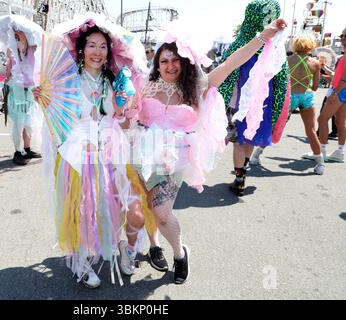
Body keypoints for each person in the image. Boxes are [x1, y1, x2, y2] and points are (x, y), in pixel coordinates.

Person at [130, 15, 287, 284]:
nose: (169, 65)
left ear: (185, 61)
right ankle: (154, 245)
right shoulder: (145, 85)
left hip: (172, 160)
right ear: (157, 62)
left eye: (175, 60)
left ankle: (180, 253)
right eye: (164, 60)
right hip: (139, 155)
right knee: (147, 205)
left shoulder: (198, 86)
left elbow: (232, 61)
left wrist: (265, 35)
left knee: (163, 212)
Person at [35, 14, 149, 288]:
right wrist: (41, 97)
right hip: (77, 155)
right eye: (92, 45)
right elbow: (56, 118)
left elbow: (120, 122)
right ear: (82, 49)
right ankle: (80, 263)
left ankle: (127, 249)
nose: (98, 52)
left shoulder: (115, 82)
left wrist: (122, 111)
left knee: (130, 210)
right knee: (80, 210)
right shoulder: (66, 81)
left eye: (103, 46)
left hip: (112, 153)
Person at [218, 0, 290, 196]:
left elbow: (224, 74)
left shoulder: (241, 44)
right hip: (263, 104)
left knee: (239, 142)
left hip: (238, 103)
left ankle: (239, 178)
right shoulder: (276, 48)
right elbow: (282, 82)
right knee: (249, 138)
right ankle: (242, 173)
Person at [0, 15, 43, 166]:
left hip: (30, 92)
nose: (17, 39)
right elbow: (6, 72)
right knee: (19, 124)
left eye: (19, 36)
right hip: (17, 92)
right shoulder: (12, 54)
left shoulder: (33, 52)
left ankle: (27, 149)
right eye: (14, 37)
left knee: (29, 123)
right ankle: (17, 151)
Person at [284, 36, 324, 174]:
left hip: (291, 96)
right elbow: (315, 87)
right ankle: (320, 165)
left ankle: (256, 155)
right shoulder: (316, 63)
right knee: (311, 131)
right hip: (307, 96)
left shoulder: (287, 60)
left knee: (276, 125)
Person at [318, 27, 346, 163]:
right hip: (342, 91)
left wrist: (334, 93)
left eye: (345, 35)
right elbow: (338, 76)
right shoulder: (343, 56)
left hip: (340, 91)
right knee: (340, 122)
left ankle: (320, 151)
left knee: (322, 119)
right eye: (342, 35)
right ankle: (340, 151)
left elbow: (344, 79)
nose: (343, 37)